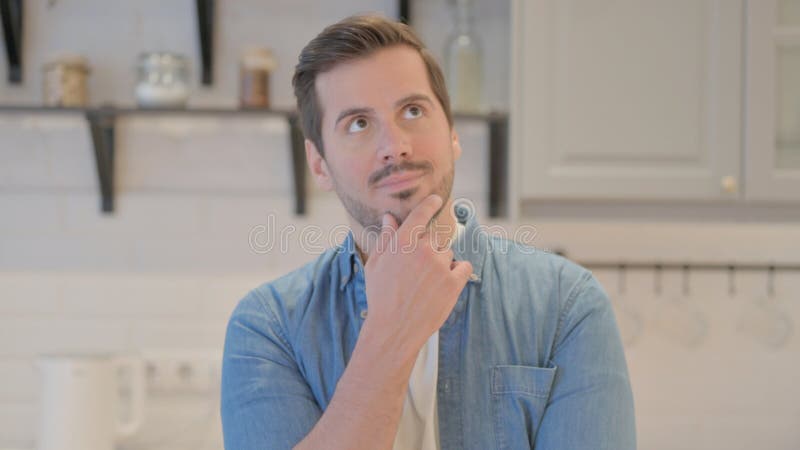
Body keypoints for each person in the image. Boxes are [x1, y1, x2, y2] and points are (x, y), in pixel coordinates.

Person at [221, 14, 636, 450]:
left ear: (452, 132)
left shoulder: (566, 307)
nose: (396, 145)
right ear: (319, 163)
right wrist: (389, 330)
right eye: (359, 123)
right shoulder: (269, 328)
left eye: (413, 110)